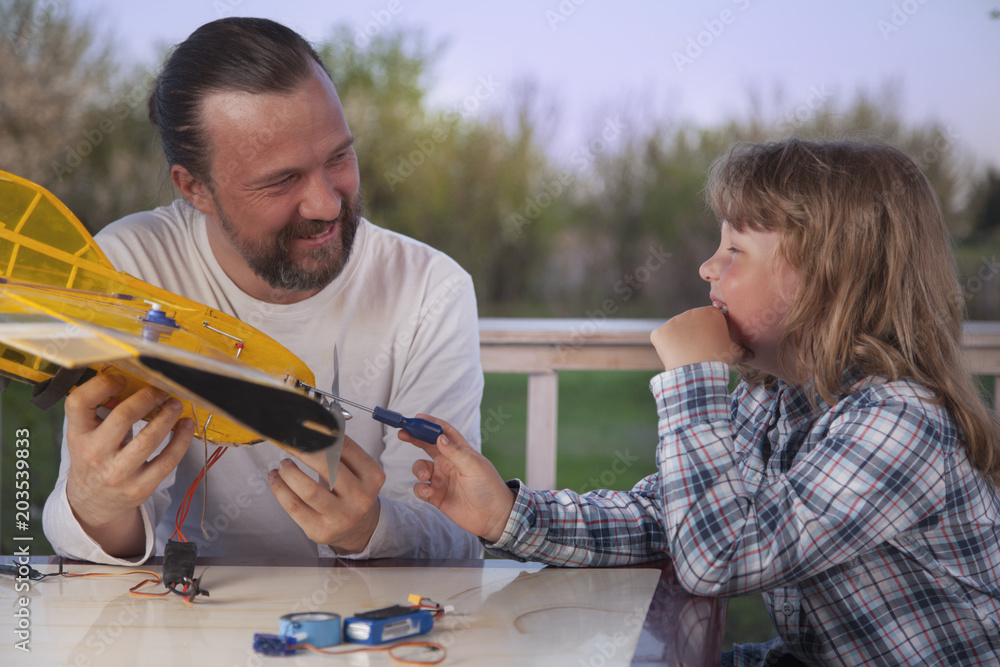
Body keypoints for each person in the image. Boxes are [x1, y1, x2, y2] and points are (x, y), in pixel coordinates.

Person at [398, 139, 1000, 665]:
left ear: (828, 278)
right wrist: (505, 513)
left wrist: (693, 378)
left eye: (735, 251)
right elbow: (666, 520)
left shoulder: (899, 421)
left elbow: (719, 557)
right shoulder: (774, 402)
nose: (707, 266)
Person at [42, 17, 483, 563]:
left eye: (339, 158)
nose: (326, 205)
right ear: (194, 187)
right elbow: (86, 535)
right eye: (281, 180)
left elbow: (457, 536)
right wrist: (97, 502)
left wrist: (368, 530)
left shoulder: (429, 289)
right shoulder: (129, 268)